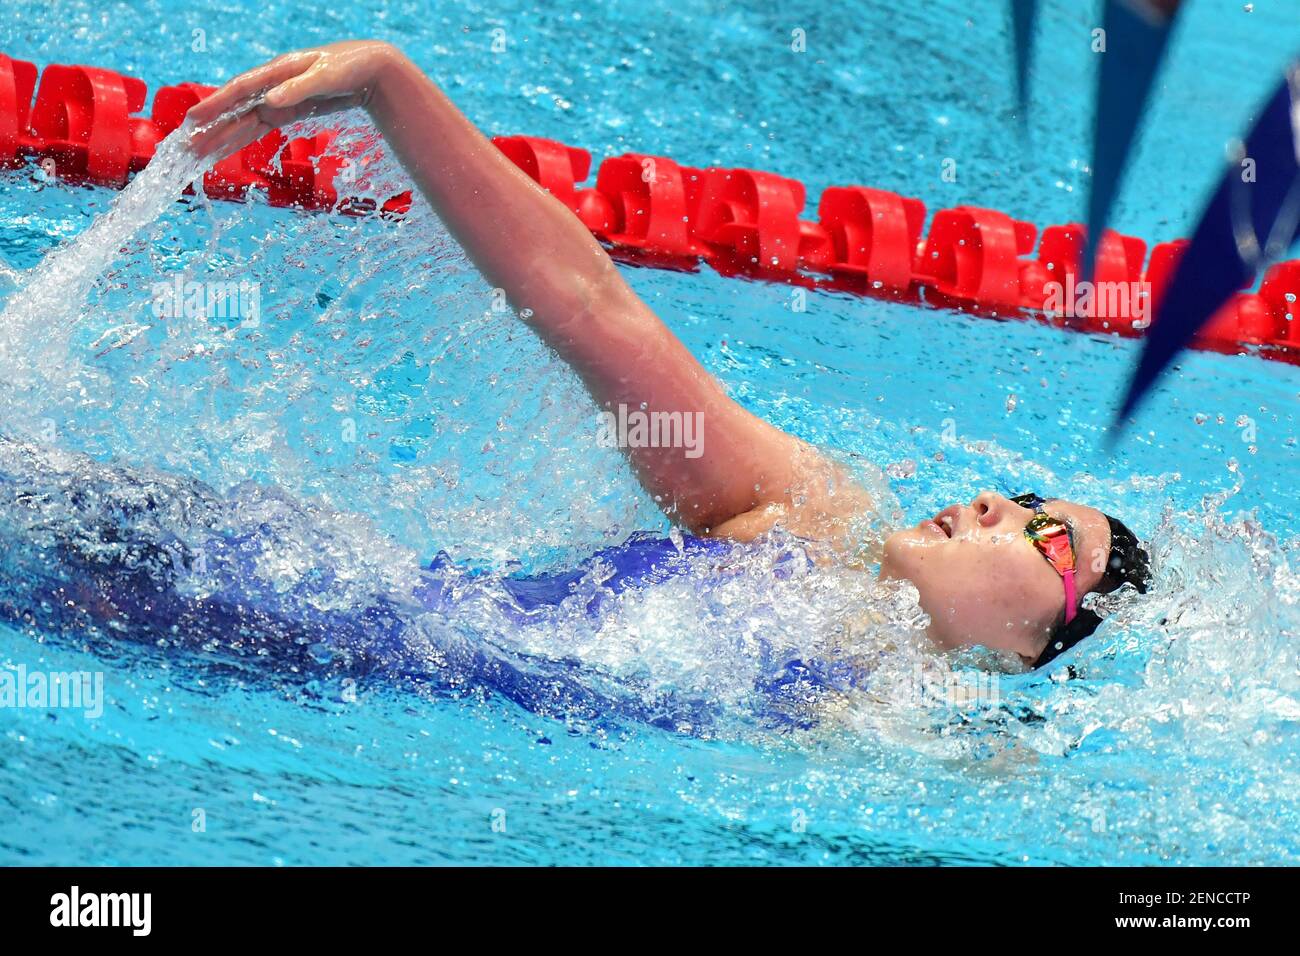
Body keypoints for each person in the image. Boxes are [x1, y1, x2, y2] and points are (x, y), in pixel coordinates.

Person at [178, 40, 1150, 672]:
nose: (993, 502)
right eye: (1022, 496)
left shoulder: (924, 762)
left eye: (1044, 535)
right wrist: (389, 84)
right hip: (255, 584)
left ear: (1042, 648)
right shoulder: (806, 517)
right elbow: (594, 311)